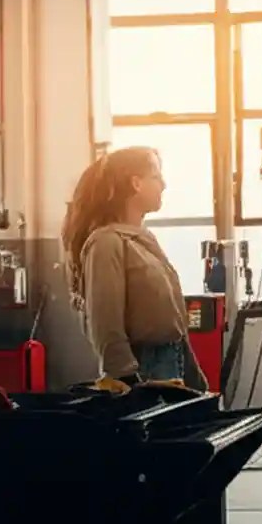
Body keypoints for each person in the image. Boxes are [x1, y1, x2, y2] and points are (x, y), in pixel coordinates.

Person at [62, 146, 207, 389]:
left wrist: (193, 375)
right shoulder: (107, 242)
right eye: (156, 176)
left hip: (169, 360)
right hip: (143, 368)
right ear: (136, 183)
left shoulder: (142, 239)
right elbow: (105, 323)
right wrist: (127, 378)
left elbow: (172, 320)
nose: (163, 184)